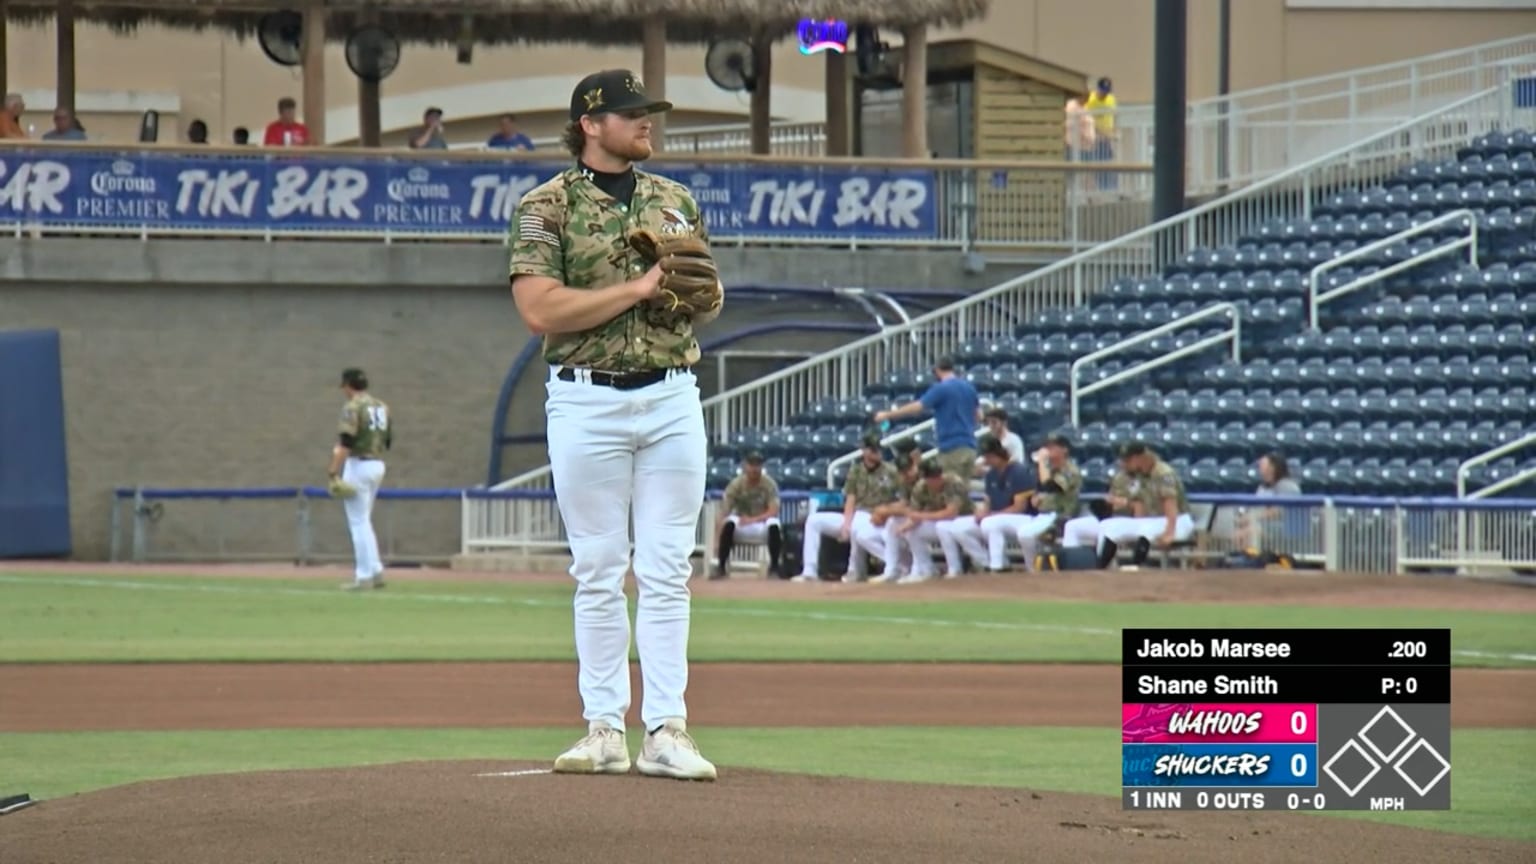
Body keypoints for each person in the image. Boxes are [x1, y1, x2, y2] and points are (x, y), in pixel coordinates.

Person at [507, 68, 720, 782]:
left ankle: (666, 730)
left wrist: (699, 292)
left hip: (672, 396)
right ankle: (603, 727)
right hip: (586, 400)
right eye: (633, 114)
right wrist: (635, 288)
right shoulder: (546, 206)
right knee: (598, 572)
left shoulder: (675, 199)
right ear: (591, 125)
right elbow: (540, 310)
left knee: (666, 571)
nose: (647, 123)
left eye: (648, 112)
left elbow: (699, 297)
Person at [795, 432, 902, 584]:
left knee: (858, 530)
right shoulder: (856, 470)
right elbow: (850, 499)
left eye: (878, 449)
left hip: (877, 518)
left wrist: (886, 513)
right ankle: (809, 571)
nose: (877, 453)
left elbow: (901, 498)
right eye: (872, 449)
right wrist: (845, 525)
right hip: (856, 516)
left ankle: (861, 571)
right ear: (864, 451)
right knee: (814, 520)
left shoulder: (891, 471)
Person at [328, 368, 391, 590]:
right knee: (364, 520)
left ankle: (363, 576)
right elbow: (388, 440)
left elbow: (346, 441)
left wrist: (333, 472)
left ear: (348, 385)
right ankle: (375, 571)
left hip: (359, 465)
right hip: (377, 463)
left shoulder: (353, 407)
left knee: (358, 522)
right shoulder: (382, 406)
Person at [873, 356, 980, 477]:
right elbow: (978, 416)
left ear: (937, 370)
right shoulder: (969, 388)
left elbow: (918, 407)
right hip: (969, 447)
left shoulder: (941, 388)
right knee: (963, 490)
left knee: (949, 490)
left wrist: (888, 414)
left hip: (951, 448)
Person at [946, 434, 1036, 573]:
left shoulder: (1019, 471)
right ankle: (986, 563)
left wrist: (991, 515)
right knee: (957, 527)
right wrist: (982, 512)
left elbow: (1020, 507)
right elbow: (988, 501)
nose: (987, 460)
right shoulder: (991, 474)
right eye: (986, 456)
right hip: (996, 518)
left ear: (999, 454)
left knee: (991, 523)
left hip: (1024, 519)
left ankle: (998, 567)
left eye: (990, 456)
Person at [1095, 441, 1195, 568]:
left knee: (1146, 531)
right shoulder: (1141, 474)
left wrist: (1170, 532)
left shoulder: (1163, 473)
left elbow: (1170, 504)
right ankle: (1099, 568)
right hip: (1154, 520)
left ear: (1138, 458)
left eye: (1128, 460)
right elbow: (1139, 504)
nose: (1124, 464)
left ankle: (1135, 568)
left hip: (1178, 520)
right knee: (1108, 526)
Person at [894, 459, 975, 582]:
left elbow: (951, 513)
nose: (937, 479)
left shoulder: (954, 482)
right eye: (932, 477)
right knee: (912, 531)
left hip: (963, 519)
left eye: (937, 475)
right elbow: (915, 513)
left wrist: (922, 516)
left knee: (942, 526)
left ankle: (955, 569)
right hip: (938, 521)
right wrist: (905, 526)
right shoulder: (921, 487)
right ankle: (927, 570)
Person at [1017, 432, 1083, 568]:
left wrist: (1042, 462)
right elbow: (1044, 489)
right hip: (1044, 515)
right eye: (1047, 447)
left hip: (1061, 516)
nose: (1048, 450)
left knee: (1025, 534)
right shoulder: (1051, 469)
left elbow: (1050, 486)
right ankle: (1034, 568)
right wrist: (1038, 497)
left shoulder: (1071, 470)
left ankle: (1033, 568)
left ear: (1064, 449)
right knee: (1023, 533)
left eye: (1052, 447)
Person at [713, 451, 782, 579]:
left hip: (761, 524)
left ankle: (774, 567)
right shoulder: (736, 484)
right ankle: (721, 567)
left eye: (758, 465)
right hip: (742, 523)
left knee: (774, 524)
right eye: (752, 464)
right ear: (745, 466)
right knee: (729, 523)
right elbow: (724, 510)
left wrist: (752, 520)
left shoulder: (769, 484)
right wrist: (717, 539)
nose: (755, 469)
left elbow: (773, 511)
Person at [1234, 452, 1302, 550]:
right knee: (1240, 531)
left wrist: (1253, 517)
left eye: (1263, 466)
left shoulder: (1287, 485)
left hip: (1287, 528)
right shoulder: (1263, 487)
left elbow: (1279, 511)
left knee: (1250, 531)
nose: (1260, 469)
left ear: (1273, 468)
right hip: (1268, 525)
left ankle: (1252, 561)